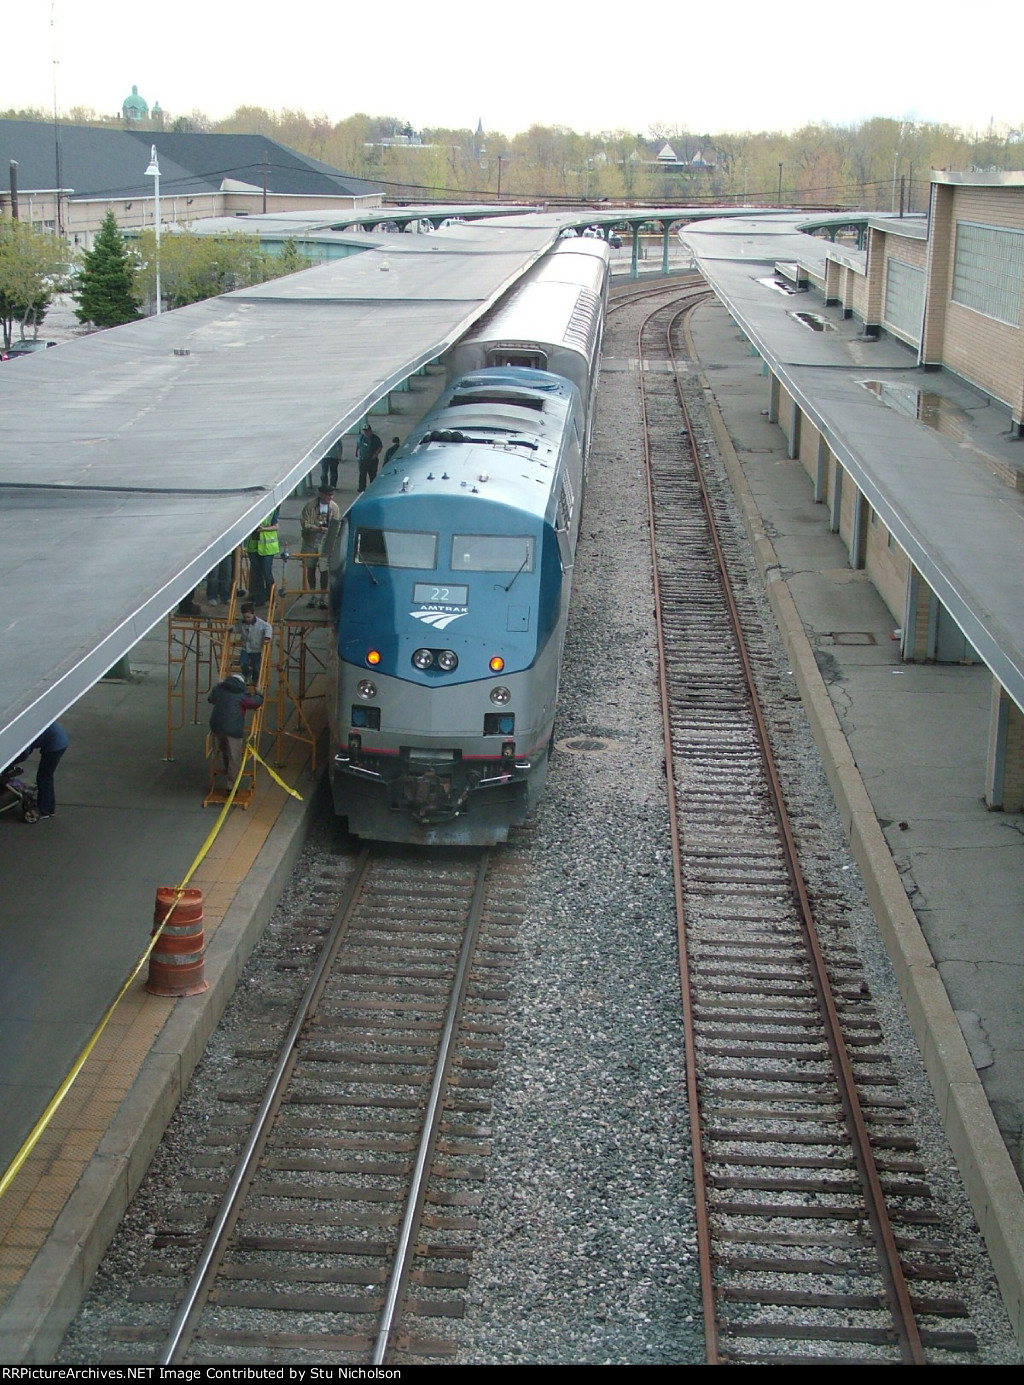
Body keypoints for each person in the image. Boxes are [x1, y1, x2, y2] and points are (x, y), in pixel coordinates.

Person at [207, 674, 263, 784]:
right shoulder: (241, 694)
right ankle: (232, 785)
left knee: (225, 751)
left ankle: (229, 771)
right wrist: (259, 694)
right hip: (233, 729)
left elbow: (211, 699)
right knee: (234, 757)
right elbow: (254, 703)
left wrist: (217, 685)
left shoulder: (219, 690)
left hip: (217, 726)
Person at [300, 486, 341, 608]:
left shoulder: (334, 507)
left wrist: (330, 533)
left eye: (332, 495)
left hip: (326, 542)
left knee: (324, 569)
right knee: (310, 568)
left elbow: (336, 525)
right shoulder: (310, 506)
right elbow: (304, 523)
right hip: (311, 541)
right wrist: (317, 529)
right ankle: (313, 595)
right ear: (321, 494)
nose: (331, 497)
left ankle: (323, 596)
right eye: (328, 495)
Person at [30, 722, 69, 819]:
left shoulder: (27, 729)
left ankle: (44, 810)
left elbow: (25, 751)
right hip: (59, 742)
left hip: (54, 747)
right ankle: (49, 807)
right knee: (47, 776)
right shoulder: (33, 722)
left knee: (43, 777)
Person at [247, 507, 280, 605]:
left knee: (267, 573)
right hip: (253, 547)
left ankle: (271, 598)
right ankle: (260, 598)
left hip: (267, 548)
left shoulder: (272, 509)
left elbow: (276, 526)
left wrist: (263, 529)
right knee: (257, 574)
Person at [237, 601, 273, 684]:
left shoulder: (261, 623)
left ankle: (256, 679)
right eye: (245, 617)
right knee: (242, 663)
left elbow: (268, 627)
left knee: (256, 667)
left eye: (249, 617)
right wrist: (231, 628)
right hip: (245, 648)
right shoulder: (241, 623)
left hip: (256, 649)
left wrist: (267, 637)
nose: (247, 619)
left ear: (253, 614)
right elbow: (236, 627)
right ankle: (247, 675)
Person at [356, 423, 383, 493]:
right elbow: (358, 444)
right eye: (364, 431)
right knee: (362, 474)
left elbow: (380, 446)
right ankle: (361, 488)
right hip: (363, 459)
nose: (366, 432)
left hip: (372, 460)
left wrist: (376, 454)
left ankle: (373, 488)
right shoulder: (361, 437)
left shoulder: (375, 438)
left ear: (370, 431)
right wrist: (356, 452)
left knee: (372, 474)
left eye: (367, 431)